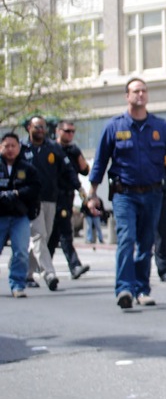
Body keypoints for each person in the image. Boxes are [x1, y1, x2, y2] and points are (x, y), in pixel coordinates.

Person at [89, 78, 166, 309]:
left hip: (153, 193)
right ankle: (125, 288)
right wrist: (92, 193)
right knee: (126, 239)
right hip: (125, 194)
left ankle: (142, 289)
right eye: (136, 91)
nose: (140, 95)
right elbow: (100, 162)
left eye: (144, 91)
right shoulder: (114, 127)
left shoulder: (160, 127)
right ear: (127, 96)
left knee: (146, 243)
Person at [22, 116, 76, 291]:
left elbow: (67, 169)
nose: (40, 130)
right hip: (31, 200)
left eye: (43, 127)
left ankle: (25, 271)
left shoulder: (53, 148)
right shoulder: (22, 148)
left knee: (43, 237)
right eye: (37, 127)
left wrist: (80, 188)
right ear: (29, 127)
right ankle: (49, 273)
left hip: (51, 199)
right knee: (39, 235)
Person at [49, 120, 91, 280]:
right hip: (52, 196)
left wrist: (84, 197)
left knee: (61, 233)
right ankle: (46, 266)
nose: (70, 134)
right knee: (55, 234)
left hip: (67, 195)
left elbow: (84, 171)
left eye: (73, 131)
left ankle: (69, 266)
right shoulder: (51, 148)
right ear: (58, 131)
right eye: (67, 131)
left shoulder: (73, 150)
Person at [0, 133, 40, 297]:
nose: (10, 149)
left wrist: (17, 193)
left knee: (21, 252)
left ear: (18, 147)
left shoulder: (27, 168)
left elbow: (35, 188)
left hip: (20, 216)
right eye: (6, 146)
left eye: (13, 146)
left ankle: (17, 285)